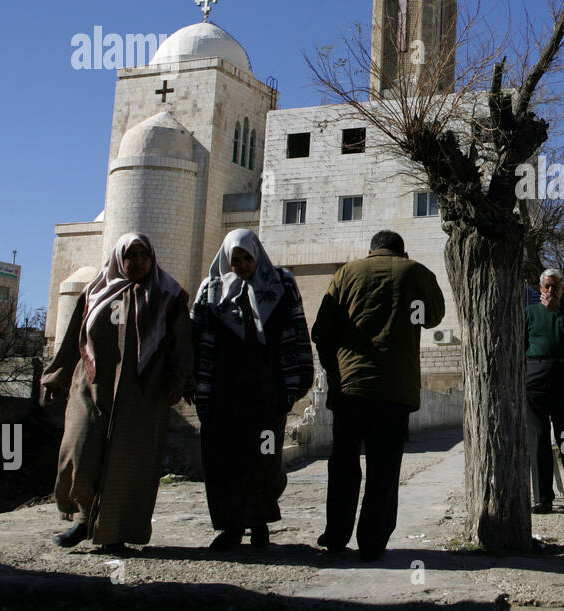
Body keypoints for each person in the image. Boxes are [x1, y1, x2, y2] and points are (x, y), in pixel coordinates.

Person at [41, 233, 193, 549]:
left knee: (127, 463)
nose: (137, 262)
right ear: (118, 259)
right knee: (79, 448)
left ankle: (112, 532)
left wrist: (180, 382)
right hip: (92, 386)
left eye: (143, 256)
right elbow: (73, 338)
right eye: (130, 256)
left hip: (143, 394)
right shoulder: (95, 293)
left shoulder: (168, 296)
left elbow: (182, 345)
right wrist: (55, 378)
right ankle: (82, 519)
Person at [311, 230, 444, 561]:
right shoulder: (415, 271)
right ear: (402, 251)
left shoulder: (347, 273)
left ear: (371, 251)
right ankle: (372, 542)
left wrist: (334, 370)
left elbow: (321, 331)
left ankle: (337, 536)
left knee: (343, 463)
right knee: (384, 467)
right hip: (394, 389)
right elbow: (433, 317)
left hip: (350, 386)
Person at [190, 229, 313, 551]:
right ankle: (230, 526)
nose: (242, 266)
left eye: (247, 258)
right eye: (236, 260)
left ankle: (260, 522)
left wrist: (298, 378)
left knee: (264, 457)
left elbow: (298, 329)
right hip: (223, 392)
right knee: (224, 459)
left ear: (257, 255)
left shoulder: (279, 284)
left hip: (266, 390)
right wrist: (195, 384)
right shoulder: (211, 290)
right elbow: (196, 338)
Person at [525, 268, 564, 513]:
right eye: (547, 286)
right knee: (538, 437)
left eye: (555, 287)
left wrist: (559, 311)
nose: (551, 291)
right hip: (536, 376)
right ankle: (542, 497)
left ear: (562, 288)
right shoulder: (530, 313)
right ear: (540, 288)